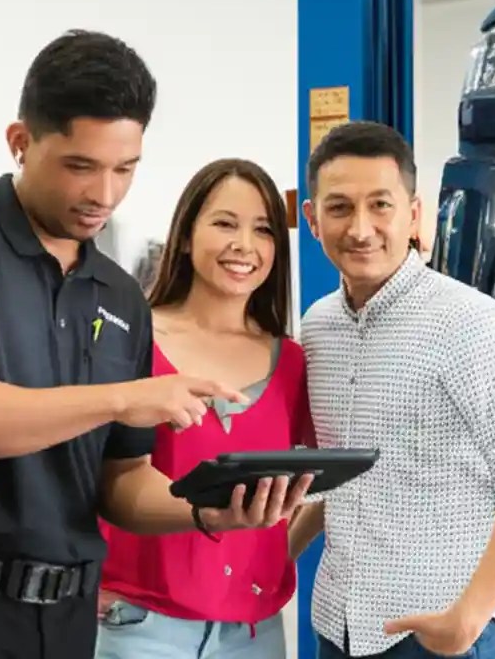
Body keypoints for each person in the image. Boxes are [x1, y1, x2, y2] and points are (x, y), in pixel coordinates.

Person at [0, 30, 312, 659]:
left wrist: (206, 512)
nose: (104, 194)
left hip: (74, 615)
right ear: (20, 143)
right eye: (81, 166)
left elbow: (122, 482)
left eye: (124, 169)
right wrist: (118, 399)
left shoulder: (117, 296)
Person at [287, 121, 495, 659]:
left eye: (380, 205)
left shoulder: (467, 321)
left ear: (414, 214)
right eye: (340, 208)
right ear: (312, 219)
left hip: (442, 634)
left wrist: (469, 617)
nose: (361, 228)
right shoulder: (318, 328)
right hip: (338, 625)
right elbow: (344, 478)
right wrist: (278, 555)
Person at [94, 158, 315, 659]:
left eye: (263, 229)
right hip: (140, 624)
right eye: (224, 223)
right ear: (187, 236)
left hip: (254, 633)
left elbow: (320, 487)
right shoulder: (133, 340)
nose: (244, 245)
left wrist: (273, 553)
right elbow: (87, 474)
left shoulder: (292, 362)